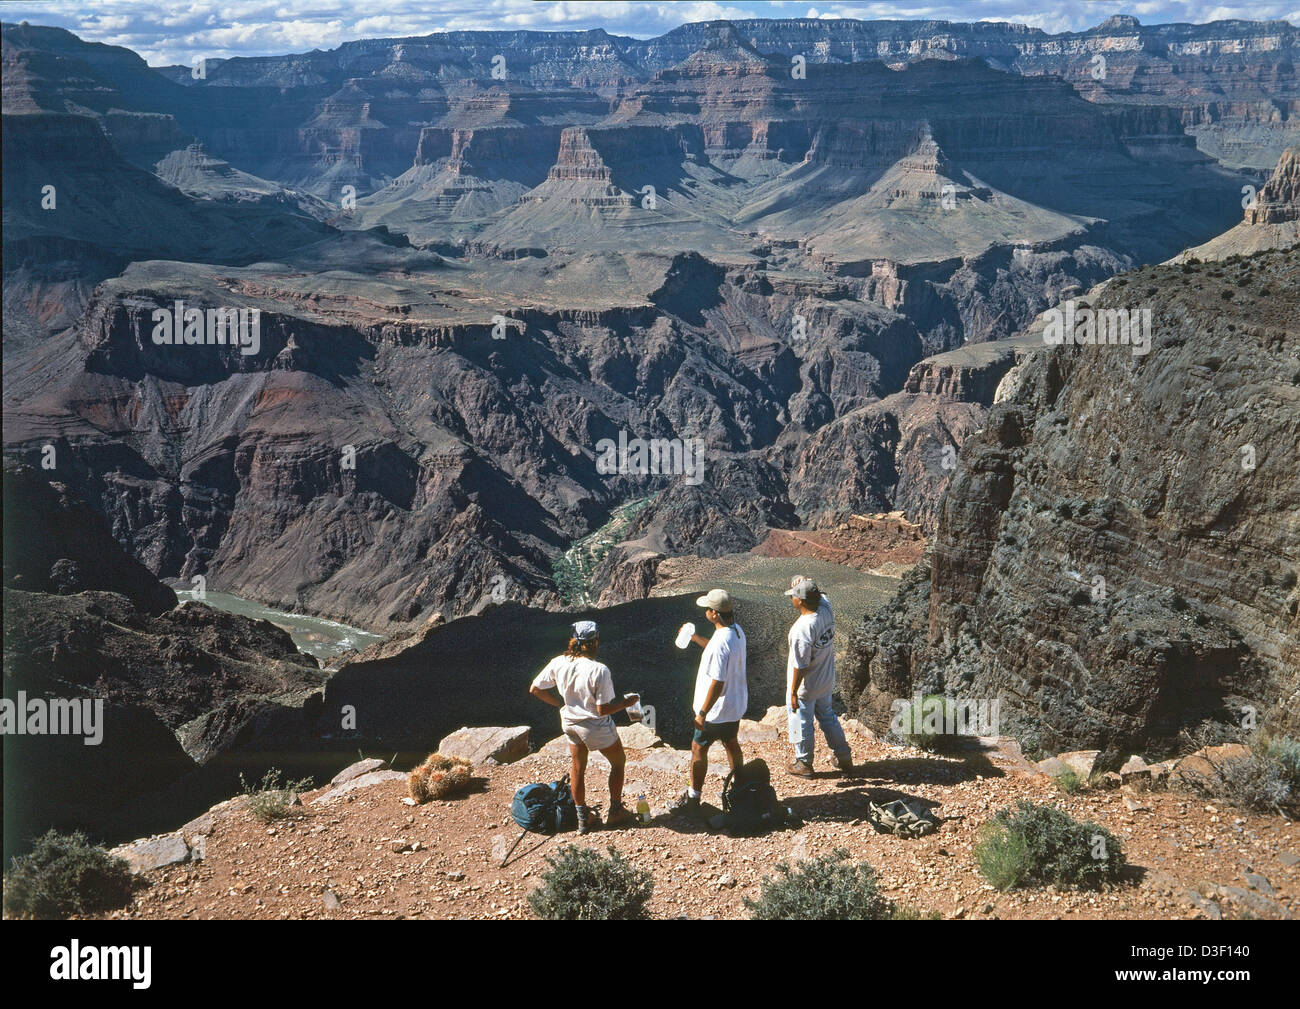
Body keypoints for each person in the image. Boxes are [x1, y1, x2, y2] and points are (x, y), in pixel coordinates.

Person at [530, 620, 638, 833]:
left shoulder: (558, 662)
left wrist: (560, 703)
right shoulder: (600, 670)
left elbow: (535, 688)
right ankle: (616, 811)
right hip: (594, 725)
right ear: (596, 641)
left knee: (578, 767)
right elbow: (601, 710)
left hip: (569, 723)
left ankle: (582, 818)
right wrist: (626, 703)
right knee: (618, 762)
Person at [670, 589, 748, 817]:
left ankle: (693, 799)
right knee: (731, 743)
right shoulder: (736, 631)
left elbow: (718, 682)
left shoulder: (720, 642)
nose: (705, 611)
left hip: (716, 711)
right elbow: (717, 650)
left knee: (698, 749)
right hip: (735, 705)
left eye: (708, 609)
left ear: (714, 614)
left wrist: (702, 712)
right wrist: (695, 639)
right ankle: (741, 788)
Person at [784, 576, 852, 777]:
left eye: (794, 596)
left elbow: (800, 665)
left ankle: (803, 762)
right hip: (826, 678)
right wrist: (806, 583)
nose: (792, 599)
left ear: (801, 601)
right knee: (828, 717)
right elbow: (821, 595)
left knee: (800, 720)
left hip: (807, 685)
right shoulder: (825, 609)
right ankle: (843, 755)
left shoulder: (801, 629)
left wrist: (793, 692)